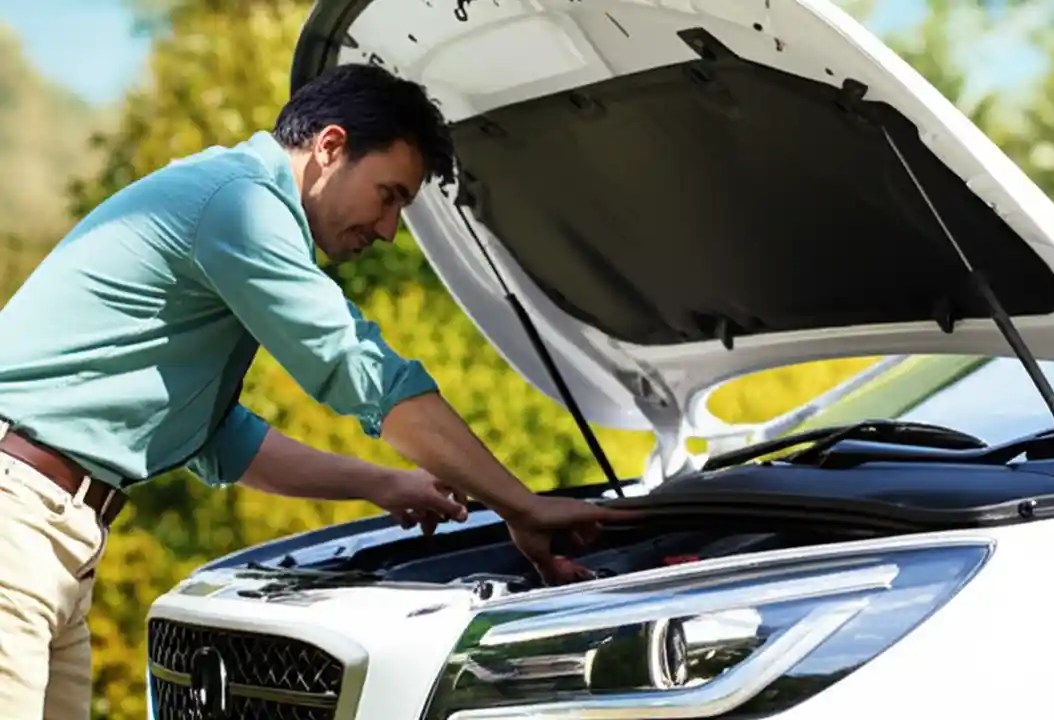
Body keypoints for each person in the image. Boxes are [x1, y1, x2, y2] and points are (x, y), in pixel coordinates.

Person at [0, 63, 634, 719]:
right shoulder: (240, 203)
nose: (388, 229)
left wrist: (386, 484)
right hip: (16, 517)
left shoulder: (222, 205)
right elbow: (358, 368)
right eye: (388, 195)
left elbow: (223, 440)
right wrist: (519, 505)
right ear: (330, 148)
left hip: (51, 535)